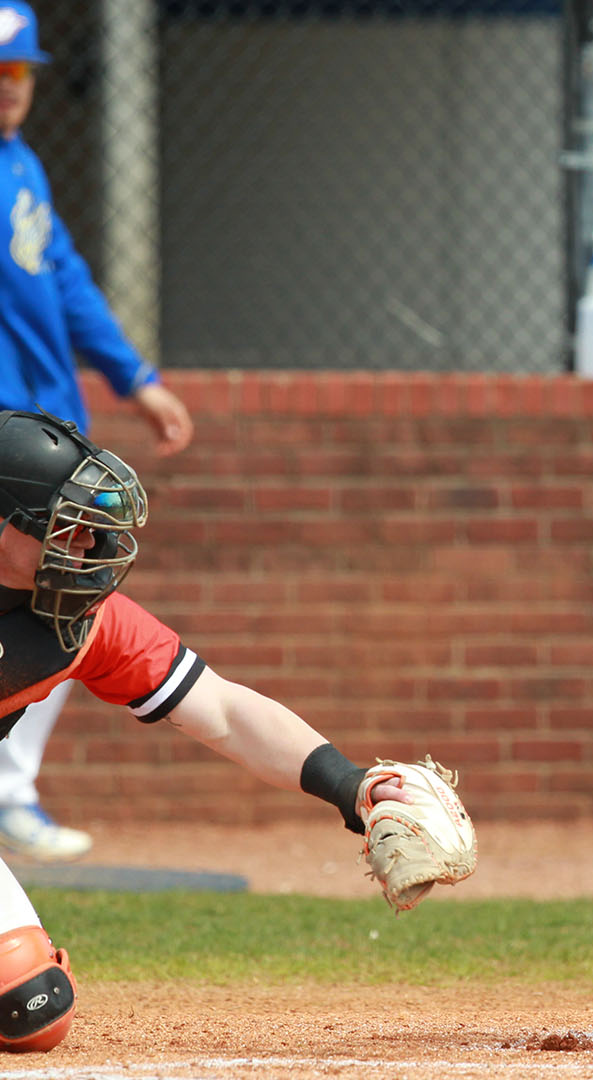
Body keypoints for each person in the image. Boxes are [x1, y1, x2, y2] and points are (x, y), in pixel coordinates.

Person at [0, 409, 456, 1051]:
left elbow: (223, 712)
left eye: (85, 527)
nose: (83, 545)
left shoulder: (77, 621)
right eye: (60, 525)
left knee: (31, 1004)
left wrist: (351, 786)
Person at [0, 0, 195, 862]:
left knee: (71, 595)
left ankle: (11, 792)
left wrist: (136, 379)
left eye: (20, 71)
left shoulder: (23, 166)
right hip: (6, 440)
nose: (10, 87)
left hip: (48, 433)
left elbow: (68, 281)